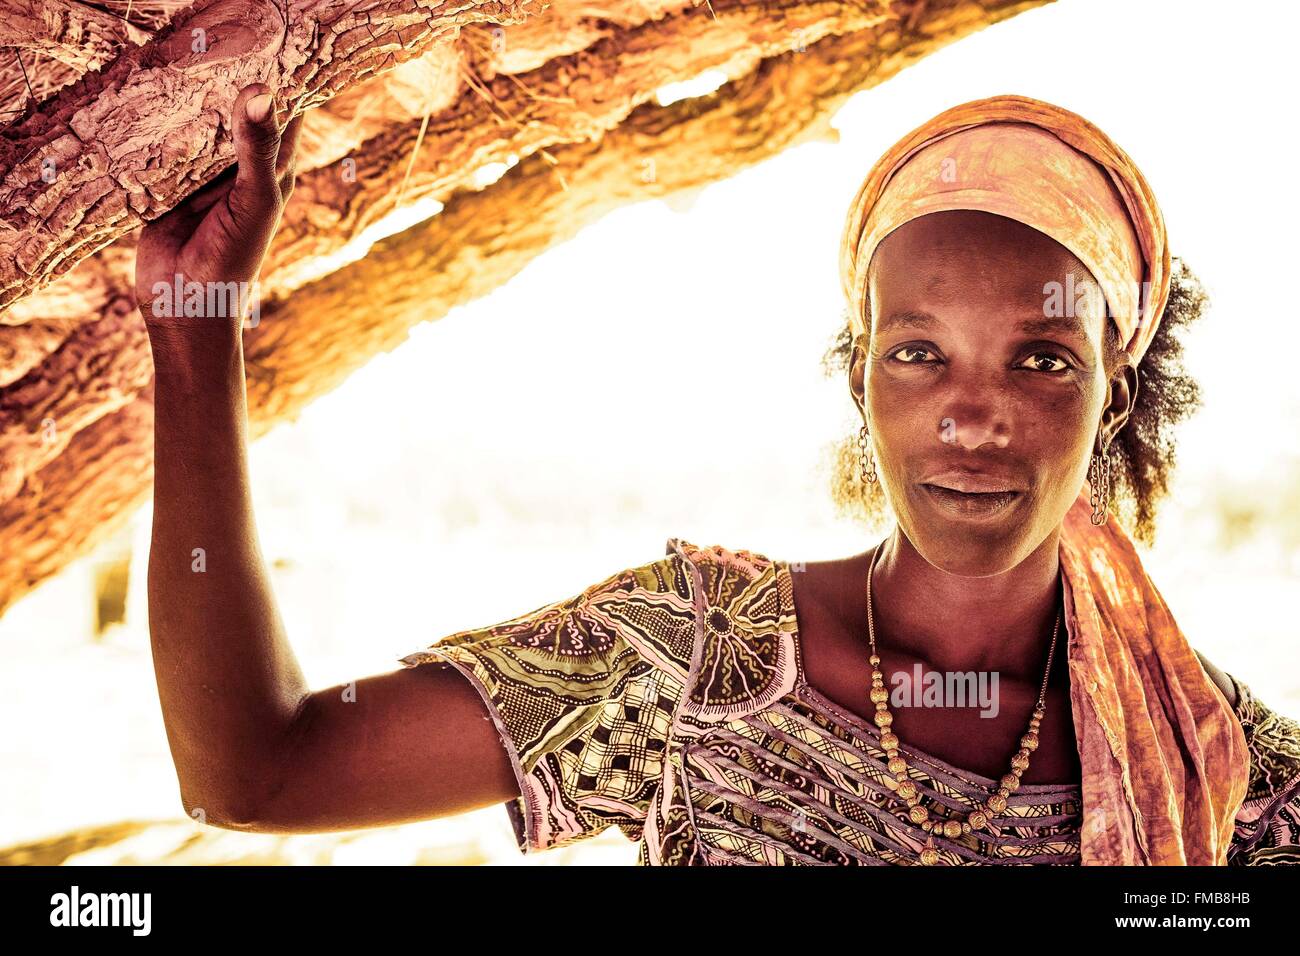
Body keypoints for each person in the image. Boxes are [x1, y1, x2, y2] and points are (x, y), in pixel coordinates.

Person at [137, 84, 1300, 865]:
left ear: (1115, 399)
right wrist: (197, 321)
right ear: (861, 382)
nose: (972, 416)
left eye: (1041, 358)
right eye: (916, 352)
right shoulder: (693, 652)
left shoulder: (1225, 768)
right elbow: (255, 769)